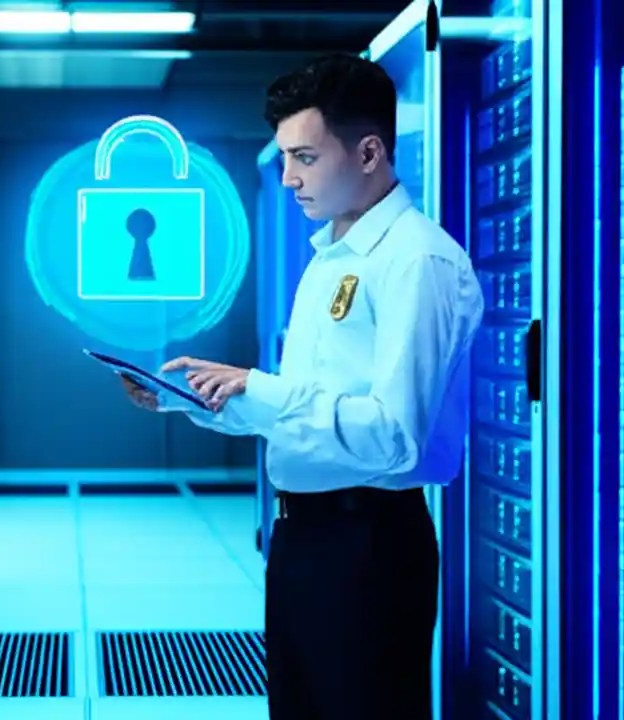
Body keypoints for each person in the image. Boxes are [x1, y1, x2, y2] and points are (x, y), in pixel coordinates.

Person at [121, 53, 483, 719]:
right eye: (286, 158)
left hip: (369, 545)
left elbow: (394, 437)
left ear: (369, 151)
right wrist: (209, 399)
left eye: (305, 158)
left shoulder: (417, 263)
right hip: (305, 538)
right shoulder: (331, 256)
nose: (287, 178)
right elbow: (305, 406)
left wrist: (258, 385)